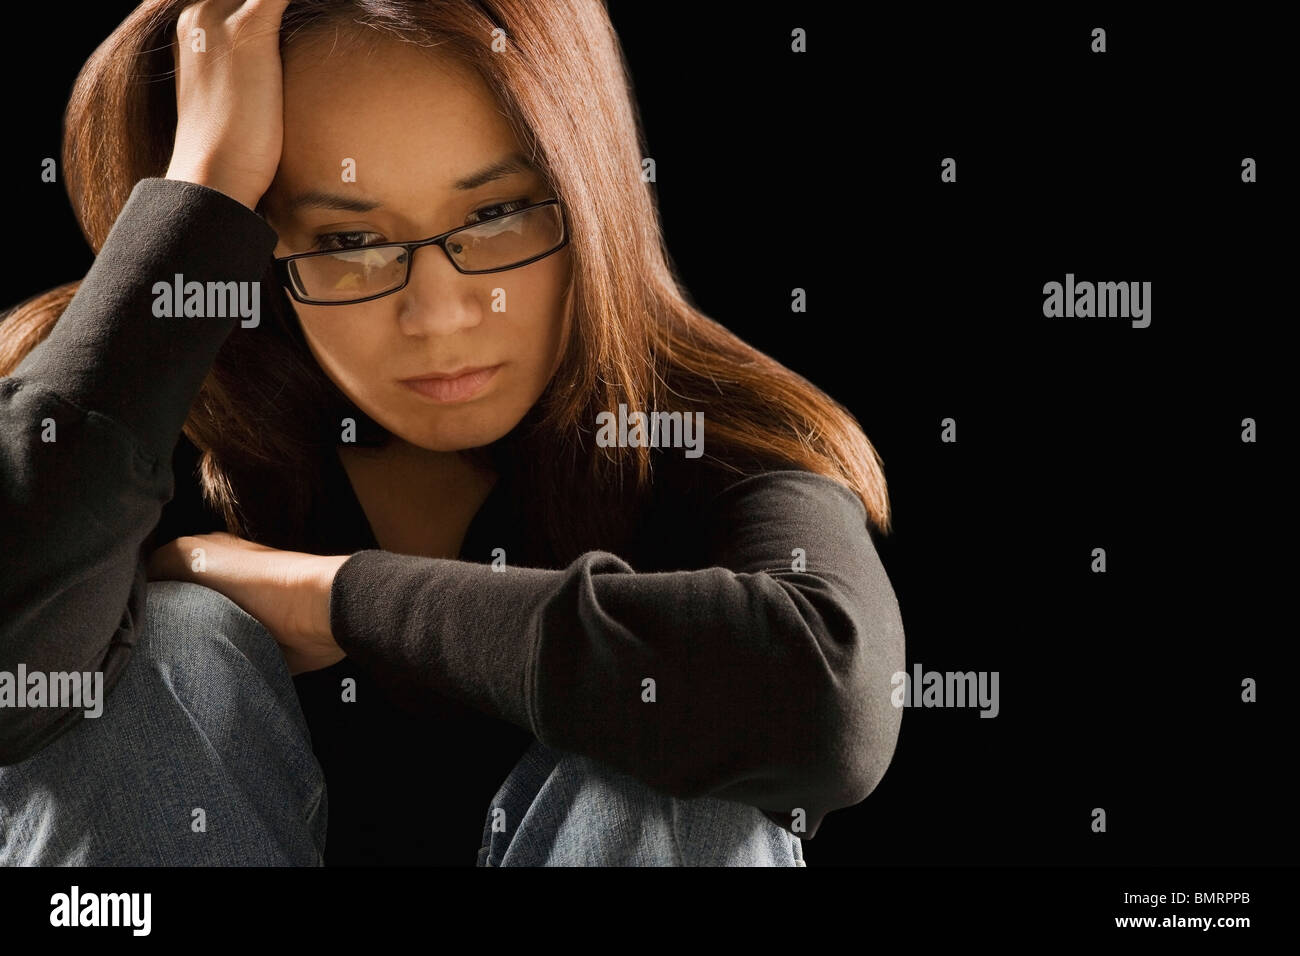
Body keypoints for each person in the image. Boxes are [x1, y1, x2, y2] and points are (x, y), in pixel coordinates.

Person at [0, 0, 905, 866]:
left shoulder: (708, 436)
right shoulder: (112, 392)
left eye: (495, 215)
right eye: (349, 240)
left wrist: (331, 595)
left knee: (682, 723)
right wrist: (196, 189)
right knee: (174, 640)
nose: (438, 315)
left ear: (588, 197)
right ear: (259, 241)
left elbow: (828, 703)